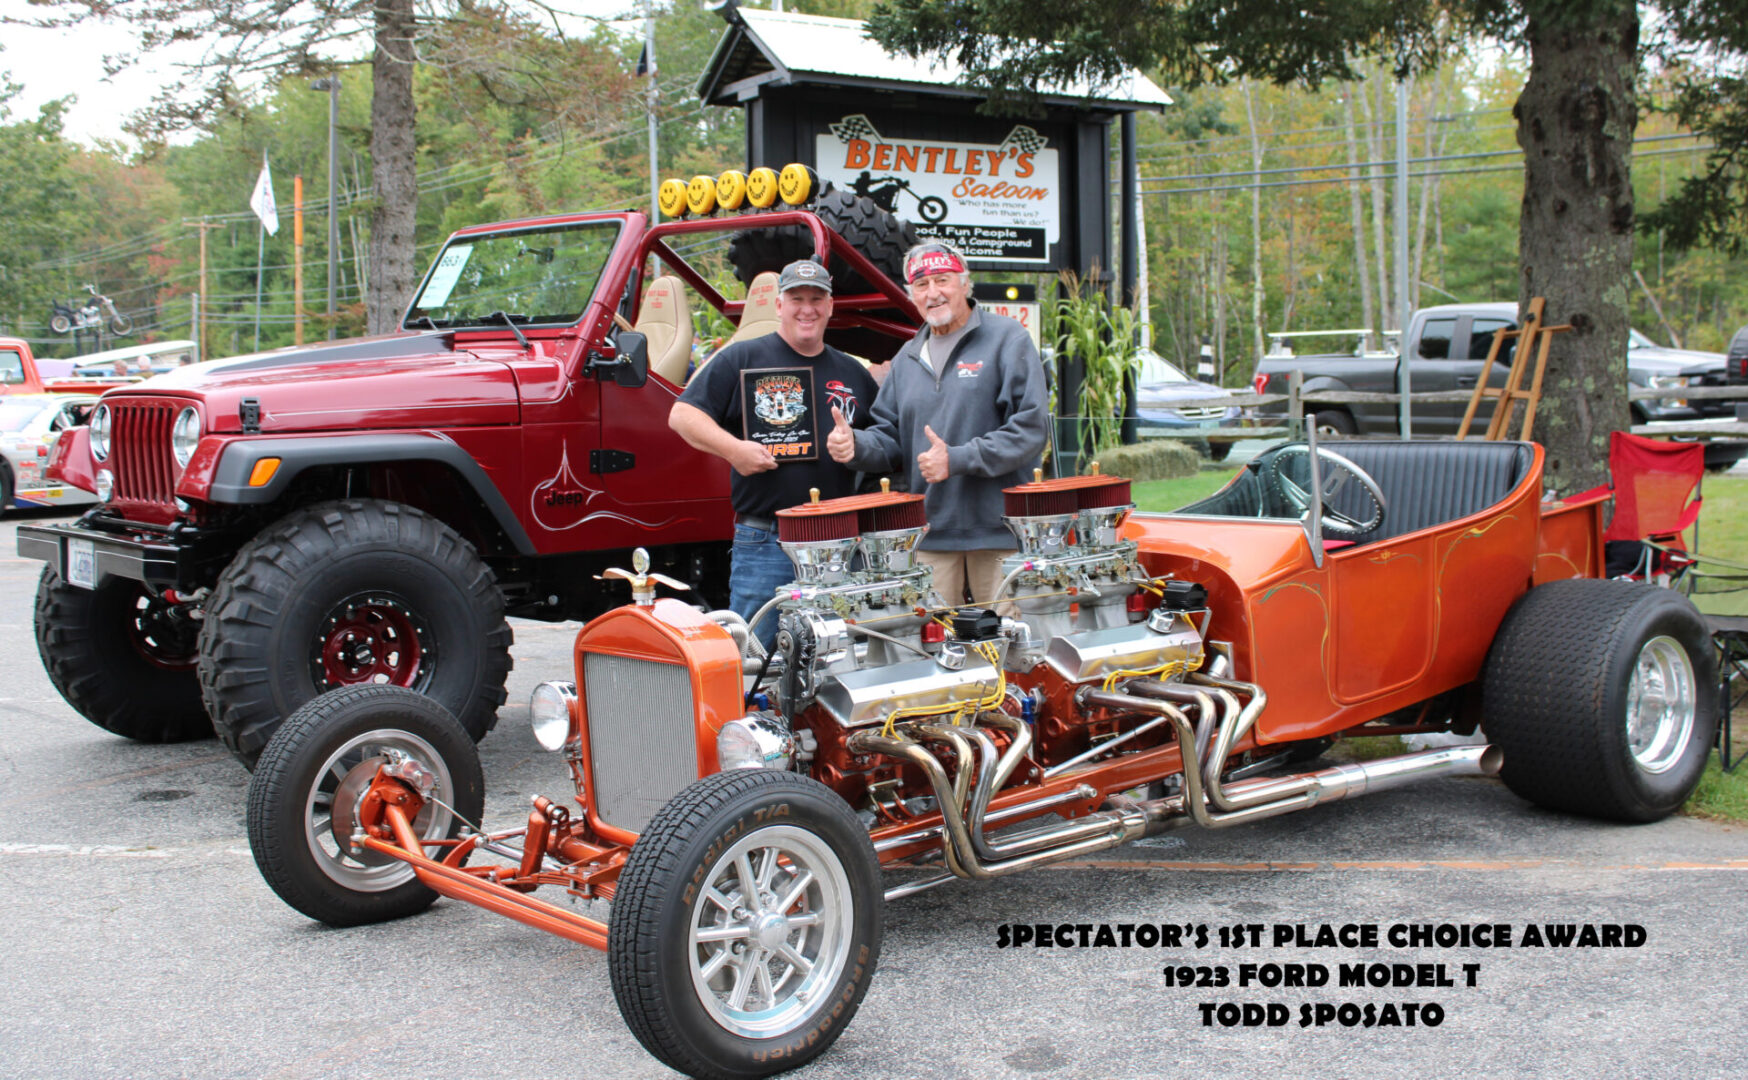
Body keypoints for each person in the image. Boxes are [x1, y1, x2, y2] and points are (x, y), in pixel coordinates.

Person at [670, 257, 880, 649]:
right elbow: (682, 415)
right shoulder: (741, 359)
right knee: (753, 655)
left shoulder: (852, 372)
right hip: (765, 540)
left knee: (836, 655)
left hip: (837, 543)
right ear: (779, 305)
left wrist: (857, 445)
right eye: (796, 298)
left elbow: (884, 438)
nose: (807, 308)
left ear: (830, 306)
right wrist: (735, 450)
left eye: (817, 298)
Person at [827, 240, 1048, 611]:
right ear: (911, 294)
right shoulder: (907, 357)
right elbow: (890, 437)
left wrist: (957, 459)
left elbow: (1029, 429)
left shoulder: (1007, 339)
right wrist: (856, 446)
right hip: (932, 536)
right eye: (922, 285)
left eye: (942, 280)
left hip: (1000, 533)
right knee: (934, 649)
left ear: (965, 283)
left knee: (1009, 644)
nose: (933, 293)